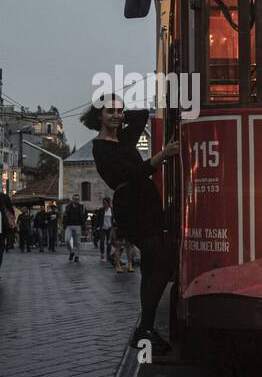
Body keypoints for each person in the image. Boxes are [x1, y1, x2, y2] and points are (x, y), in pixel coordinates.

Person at [85, 96, 179, 349]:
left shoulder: (123, 138)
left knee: (152, 265)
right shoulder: (100, 147)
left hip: (145, 202)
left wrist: (122, 112)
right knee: (162, 261)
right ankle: (144, 329)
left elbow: (140, 116)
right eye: (110, 112)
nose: (117, 115)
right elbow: (130, 174)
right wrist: (162, 155)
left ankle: (145, 328)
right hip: (132, 206)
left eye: (119, 111)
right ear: (98, 116)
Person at [63, 194, 86, 263]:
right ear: (72, 199)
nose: (76, 200)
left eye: (77, 199)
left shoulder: (82, 207)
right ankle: (71, 252)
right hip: (69, 225)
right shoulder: (68, 207)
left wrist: (83, 226)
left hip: (78, 225)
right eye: (75, 199)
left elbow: (85, 216)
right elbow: (65, 216)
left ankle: (77, 256)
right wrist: (63, 224)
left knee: (77, 242)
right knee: (66, 240)